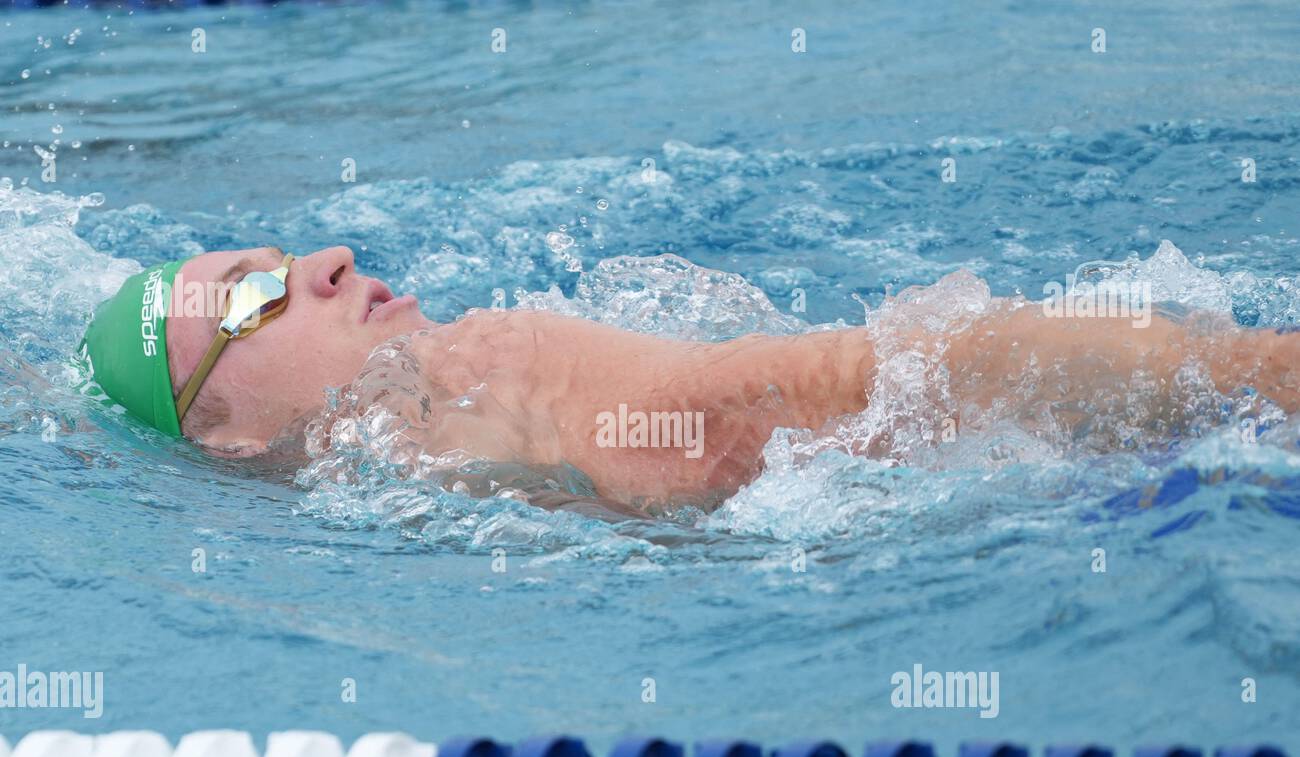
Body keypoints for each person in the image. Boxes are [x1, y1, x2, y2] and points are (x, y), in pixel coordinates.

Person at [79, 245, 1298, 510]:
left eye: (284, 251)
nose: (322, 261)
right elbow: (795, 382)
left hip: (871, 482)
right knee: (893, 366)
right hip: (861, 451)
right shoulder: (447, 394)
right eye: (250, 295)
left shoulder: (418, 432)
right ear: (228, 434)